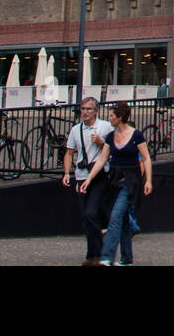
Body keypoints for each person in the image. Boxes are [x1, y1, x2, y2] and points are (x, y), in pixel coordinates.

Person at [81, 101, 151, 267]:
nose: (109, 118)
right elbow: (102, 159)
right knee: (123, 220)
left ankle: (106, 257)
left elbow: (146, 158)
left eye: (112, 115)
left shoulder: (136, 135)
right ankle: (126, 259)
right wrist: (89, 178)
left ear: (120, 117)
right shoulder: (110, 137)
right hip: (114, 182)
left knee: (115, 217)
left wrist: (148, 180)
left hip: (129, 182)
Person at [62, 96, 113, 265]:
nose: (85, 112)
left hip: (99, 175)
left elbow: (113, 148)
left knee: (91, 212)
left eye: (88, 109)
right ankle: (92, 254)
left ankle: (98, 253)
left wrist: (101, 142)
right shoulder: (76, 129)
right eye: (83, 109)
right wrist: (66, 173)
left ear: (96, 111)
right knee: (87, 216)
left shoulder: (105, 126)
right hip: (82, 175)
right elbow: (69, 152)